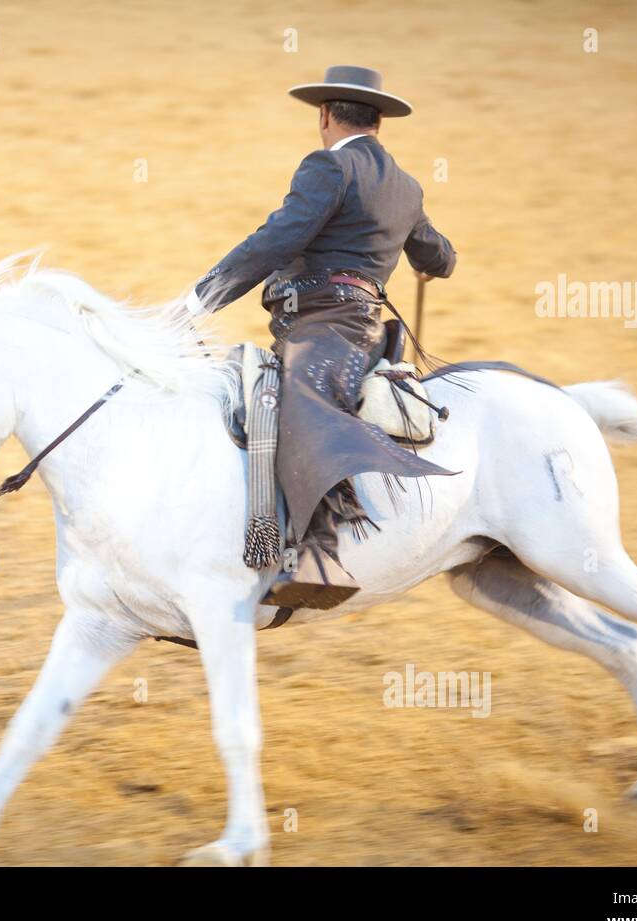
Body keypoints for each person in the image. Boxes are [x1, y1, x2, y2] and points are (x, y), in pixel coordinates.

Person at [184, 65, 458, 610]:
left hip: (326, 324)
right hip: (355, 323)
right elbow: (440, 256)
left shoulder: (328, 166)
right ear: (378, 120)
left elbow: (278, 239)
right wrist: (428, 260)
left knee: (298, 393)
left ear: (325, 116)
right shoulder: (406, 186)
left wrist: (200, 300)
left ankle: (320, 550)